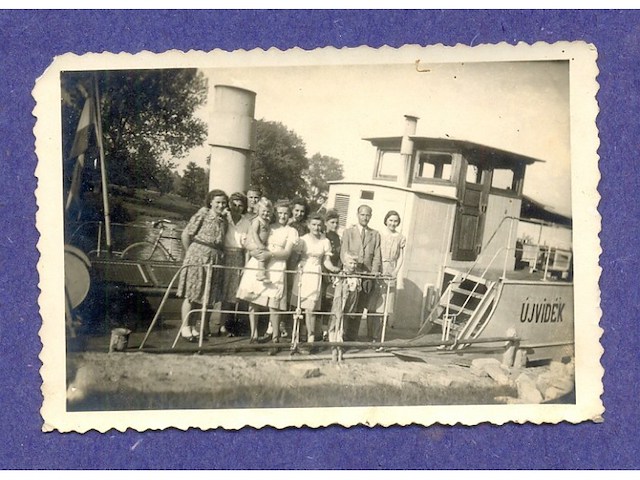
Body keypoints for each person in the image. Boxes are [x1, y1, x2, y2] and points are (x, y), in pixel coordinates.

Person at [236, 200, 298, 349]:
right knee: (254, 300)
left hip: (276, 265)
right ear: (275, 213)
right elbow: (250, 241)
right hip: (259, 262)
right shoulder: (268, 225)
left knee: (274, 304)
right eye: (280, 213)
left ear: (289, 215)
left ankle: (275, 338)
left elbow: (286, 253)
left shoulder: (291, 231)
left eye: (286, 213)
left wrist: (269, 255)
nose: (282, 216)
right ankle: (254, 335)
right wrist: (254, 252)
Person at [176, 189, 229, 342]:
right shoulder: (203, 214)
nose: (220, 205)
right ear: (211, 202)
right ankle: (185, 327)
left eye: (223, 203)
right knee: (192, 293)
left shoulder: (223, 220)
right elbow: (186, 235)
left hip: (214, 259)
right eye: (218, 202)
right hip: (198, 257)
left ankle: (193, 327)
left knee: (204, 294)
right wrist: (190, 255)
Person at [290, 213, 341, 350]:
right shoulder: (303, 240)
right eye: (313, 224)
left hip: (316, 273)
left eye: (319, 225)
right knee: (299, 308)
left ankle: (310, 339)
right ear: (308, 225)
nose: (316, 228)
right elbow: (295, 256)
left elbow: (327, 262)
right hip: (303, 271)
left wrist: (335, 269)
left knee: (311, 309)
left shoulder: (325, 242)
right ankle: (297, 337)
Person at [339, 204, 382, 342]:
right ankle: (342, 333)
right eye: (363, 214)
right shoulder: (348, 232)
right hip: (352, 275)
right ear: (358, 215)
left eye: (368, 215)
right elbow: (343, 253)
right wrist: (351, 270)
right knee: (349, 304)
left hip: (367, 276)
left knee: (361, 306)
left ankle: (352, 336)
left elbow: (377, 255)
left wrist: (374, 272)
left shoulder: (375, 234)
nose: (365, 217)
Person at [220, 192, 251, 337]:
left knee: (233, 294)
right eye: (234, 205)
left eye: (240, 205)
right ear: (229, 205)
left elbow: (246, 248)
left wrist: (245, 266)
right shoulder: (224, 218)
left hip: (238, 257)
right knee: (221, 292)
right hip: (223, 256)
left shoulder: (246, 223)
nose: (237, 208)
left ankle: (227, 325)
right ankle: (216, 325)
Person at [374, 210, 407, 336]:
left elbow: (400, 257)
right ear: (386, 220)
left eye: (395, 221)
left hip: (391, 269)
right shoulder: (379, 234)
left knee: (387, 303)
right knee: (376, 302)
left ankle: (381, 334)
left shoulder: (400, 238)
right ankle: (373, 334)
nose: (393, 223)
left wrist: (395, 271)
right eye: (391, 220)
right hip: (380, 267)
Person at [329, 253, 362, 362]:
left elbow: (357, 290)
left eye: (355, 263)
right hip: (340, 302)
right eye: (350, 263)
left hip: (350, 304)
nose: (353, 266)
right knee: (336, 322)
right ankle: (334, 346)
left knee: (344, 324)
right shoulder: (341, 275)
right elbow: (337, 290)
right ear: (345, 263)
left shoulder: (357, 276)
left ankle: (340, 345)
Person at [320, 209, 342, 340]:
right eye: (332, 222)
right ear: (326, 223)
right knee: (320, 301)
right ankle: (318, 330)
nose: (335, 225)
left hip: (333, 272)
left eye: (337, 223)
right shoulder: (323, 236)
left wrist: (337, 270)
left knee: (329, 302)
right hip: (323, 270)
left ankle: (326, 331)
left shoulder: (337, 238)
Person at [245, 197, 273, 282]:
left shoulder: (267, 221)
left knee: (266, 255)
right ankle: (260, 274)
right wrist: (259, 245)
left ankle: (262, 272)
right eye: (263, 211)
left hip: (259, 243)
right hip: (252, 242)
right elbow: (254, 233)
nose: (265, 213)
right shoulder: (257, 221)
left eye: (268, 212)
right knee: (262, 256)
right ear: (258, 210)